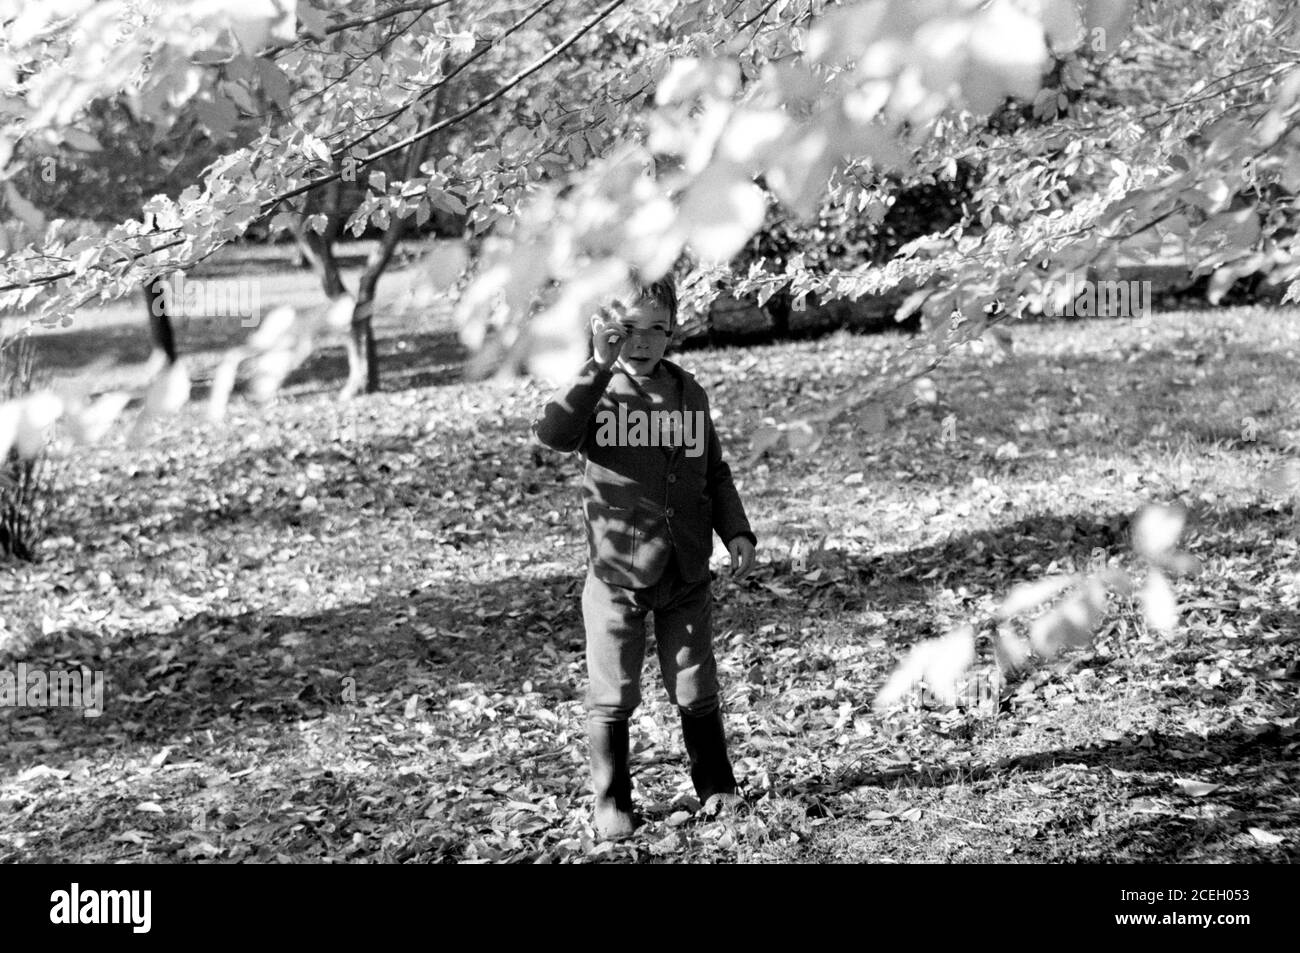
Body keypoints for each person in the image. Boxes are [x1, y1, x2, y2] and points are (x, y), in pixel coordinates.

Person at [532, 276, 758, 840]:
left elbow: (715, 471)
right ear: (605, 329)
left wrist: (736, 531)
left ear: (673, 331)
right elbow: (554, 433)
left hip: (686, 567)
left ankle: (716, 784)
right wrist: (593, 366)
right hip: (617, 576)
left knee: (695, 679)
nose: (643, 341)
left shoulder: (689, 392)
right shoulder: (597, 392)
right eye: (629, 329)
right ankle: (611, 799)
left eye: (657, 329)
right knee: (615, 690)